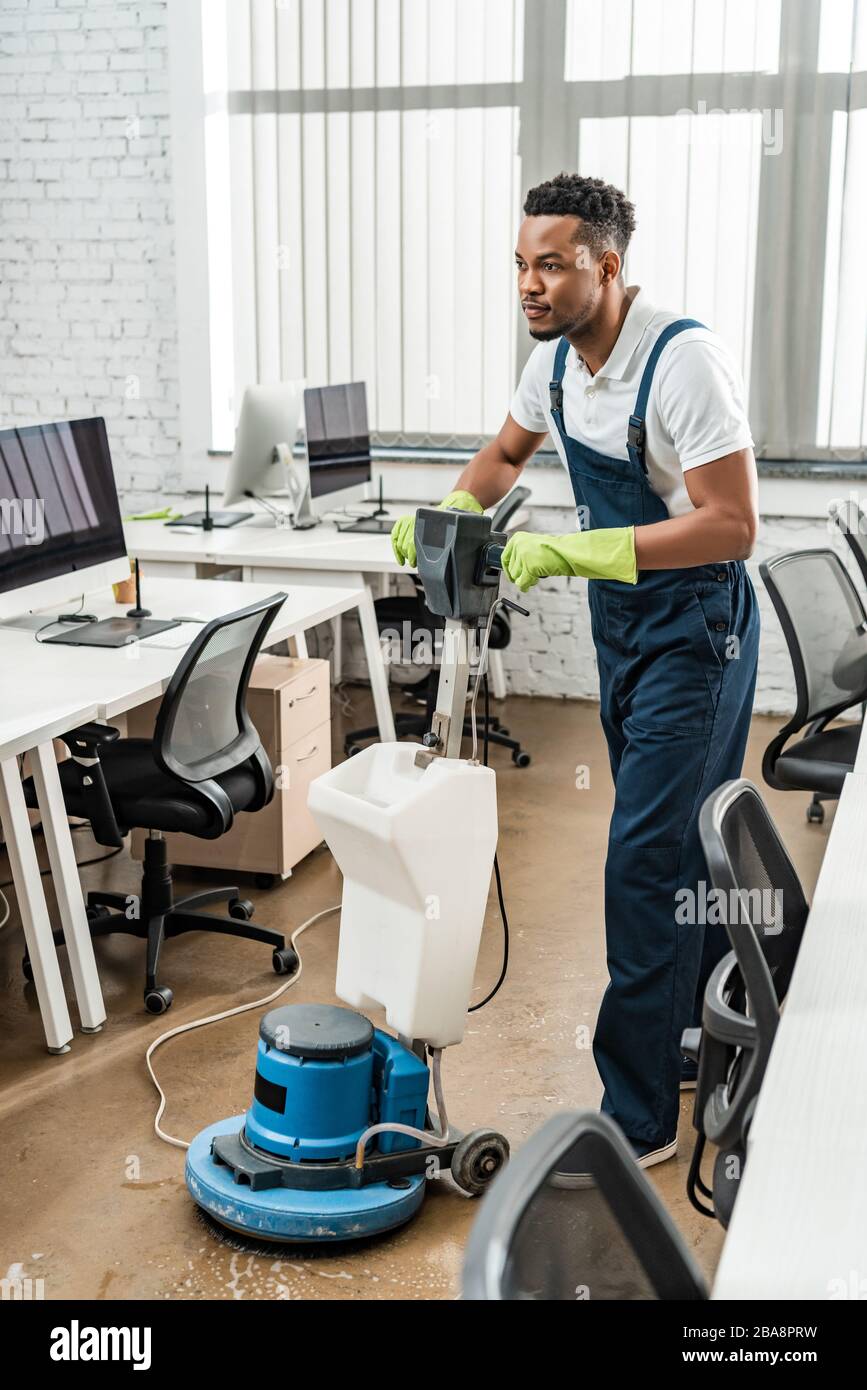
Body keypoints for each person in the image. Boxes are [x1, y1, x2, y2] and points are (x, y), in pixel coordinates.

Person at [391, 173, 760, 1168]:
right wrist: (446, 514)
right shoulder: (554, 363)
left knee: (645, 861)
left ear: (607, 265)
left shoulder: (682, 361)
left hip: (698, 626)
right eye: (520, 263)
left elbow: (733, 523)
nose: (529, 284)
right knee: (681, 845)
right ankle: (706, 1035)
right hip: (625, 628)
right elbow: (506, 455)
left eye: (551, 263)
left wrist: (580, 551)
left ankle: (637, 1114)